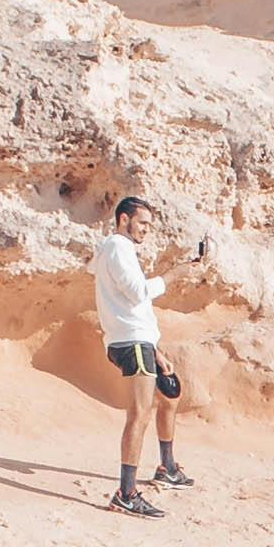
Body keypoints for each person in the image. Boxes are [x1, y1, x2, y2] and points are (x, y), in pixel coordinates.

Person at [91, 191, 191, 511]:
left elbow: (134, 307)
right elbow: (137, 294)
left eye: (149, 224)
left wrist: (156, 349)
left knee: (171, 393)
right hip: (130, 342)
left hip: (141, 339)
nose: (146, 229)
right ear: (124, 219)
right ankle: (127, 494)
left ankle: (167, 468)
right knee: (139, 414)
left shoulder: (121, 251)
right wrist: (173, 275)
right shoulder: (117, 247)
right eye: (142, 222)